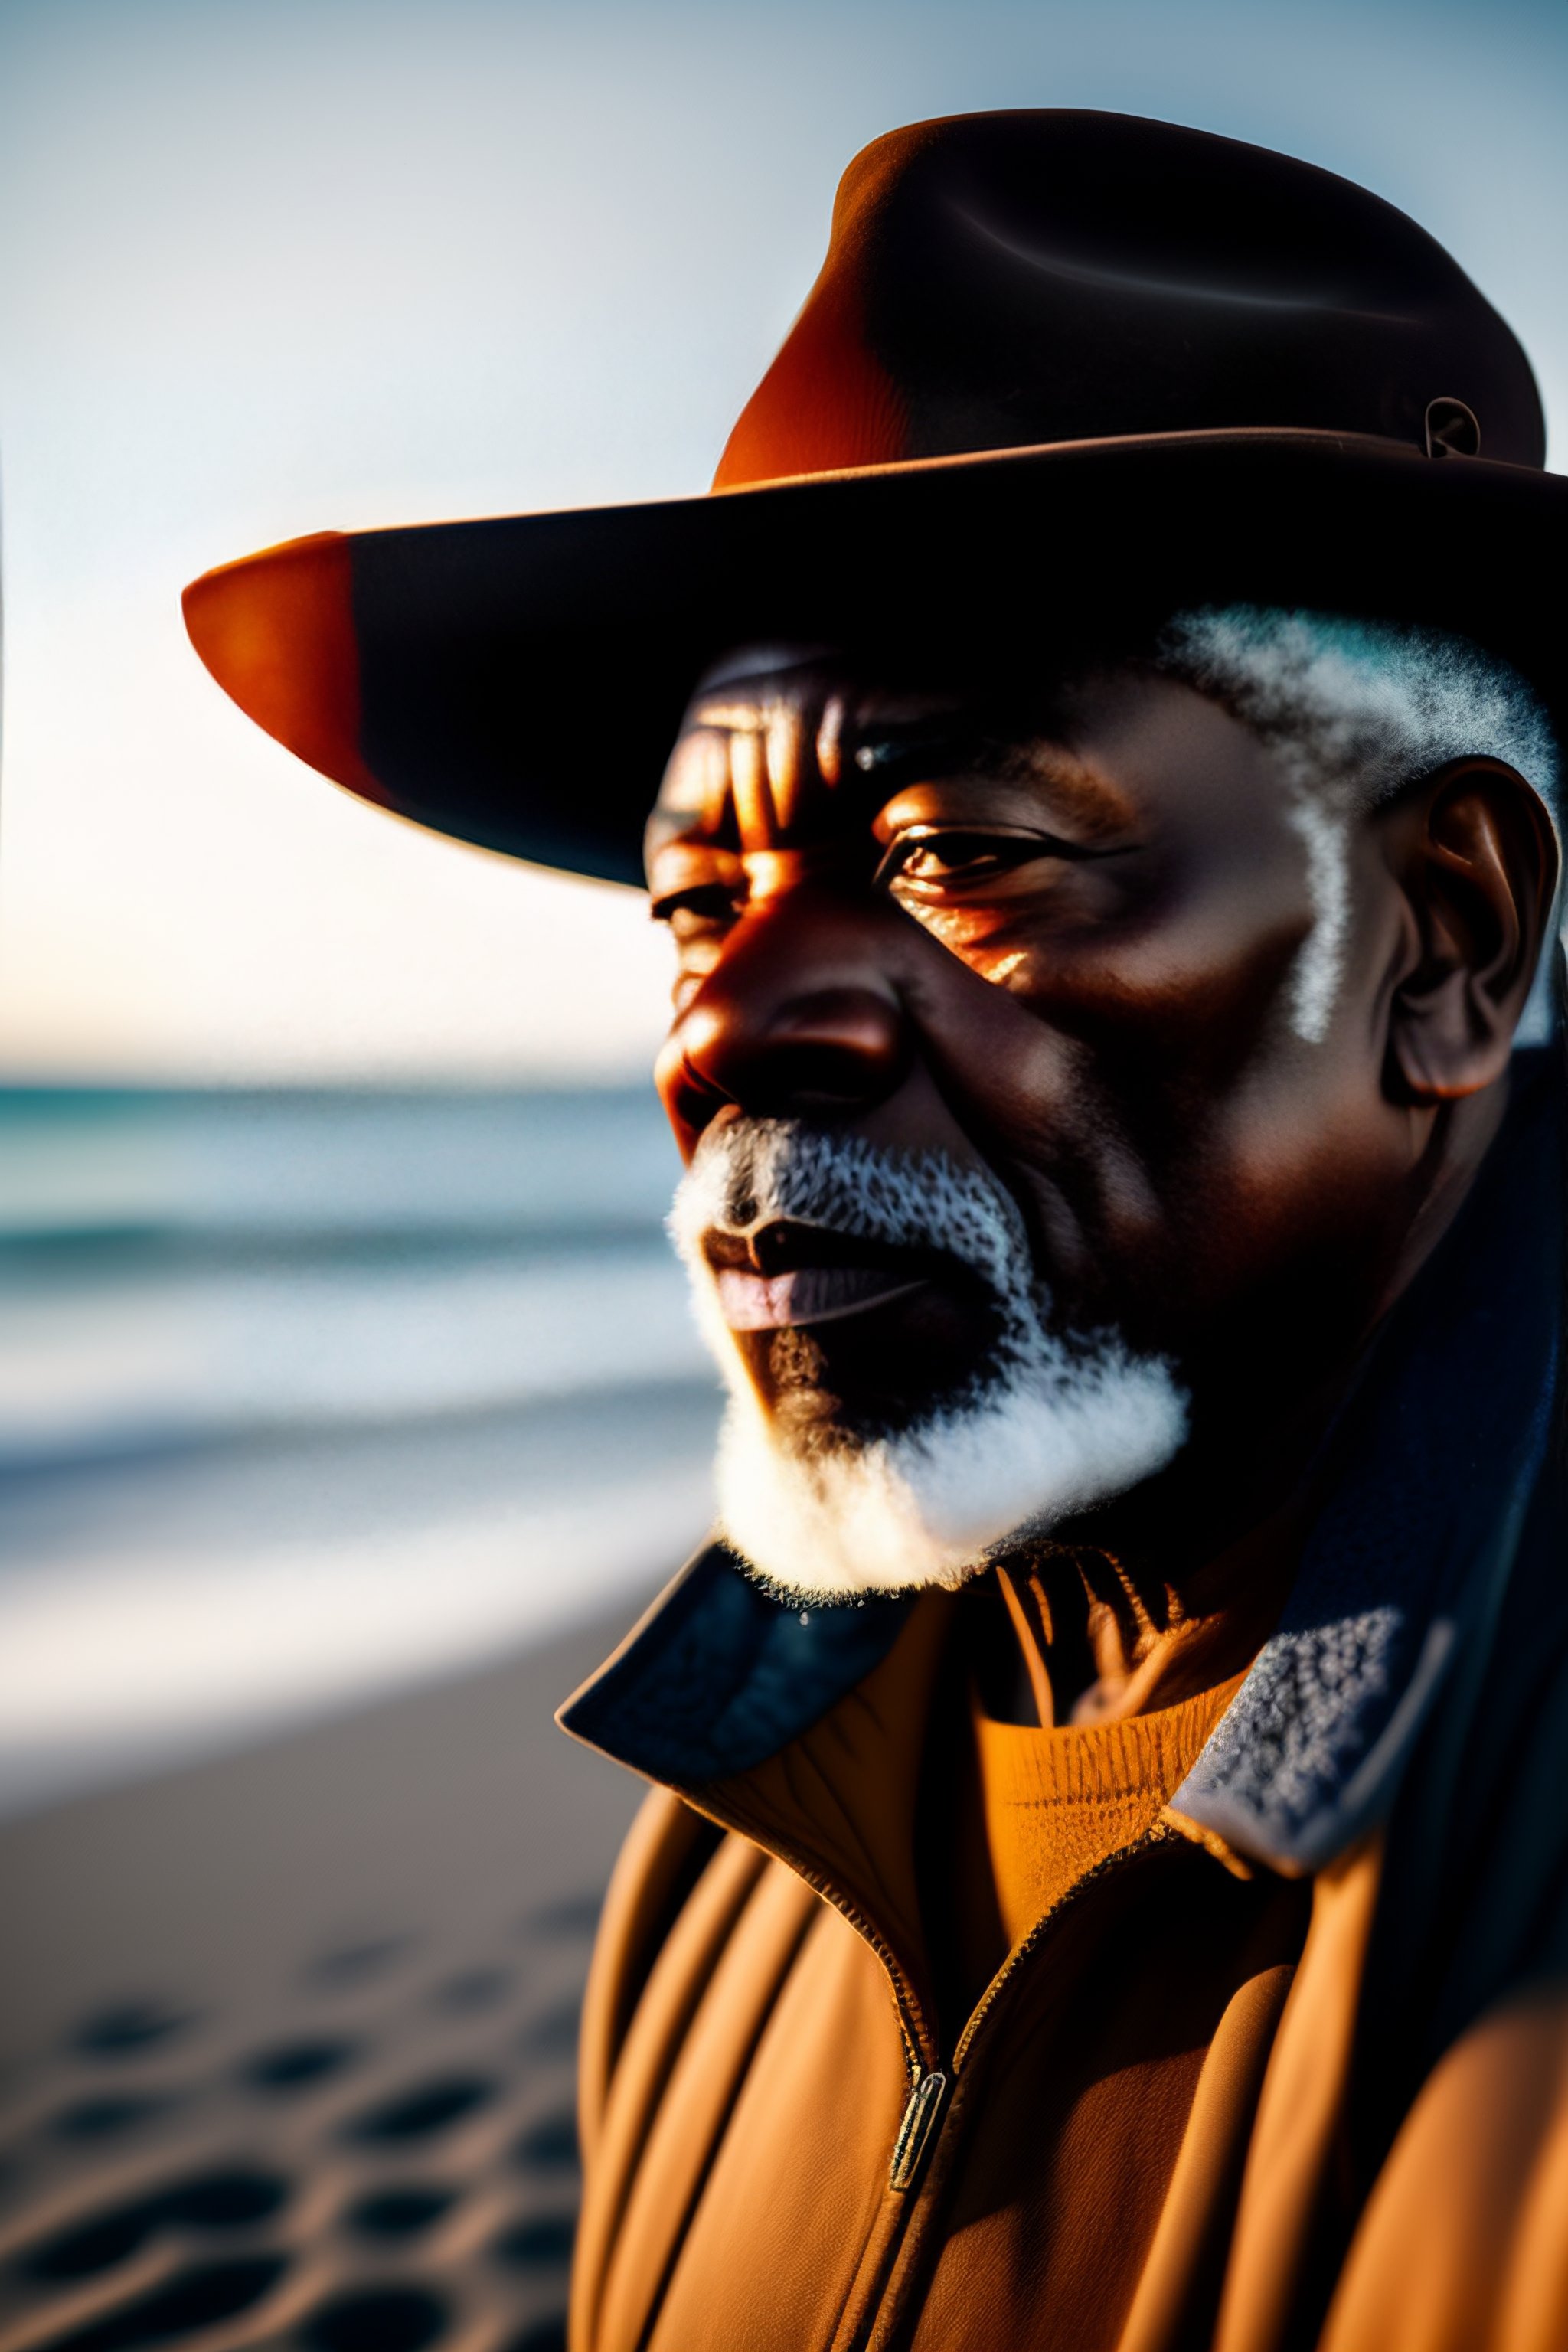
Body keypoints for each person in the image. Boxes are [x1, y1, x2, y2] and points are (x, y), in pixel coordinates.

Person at [185, 112, 1568, 2352]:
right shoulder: (738, 1830)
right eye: (698, 904)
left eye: (961, 852)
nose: (729, 1025)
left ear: (1442, 945)